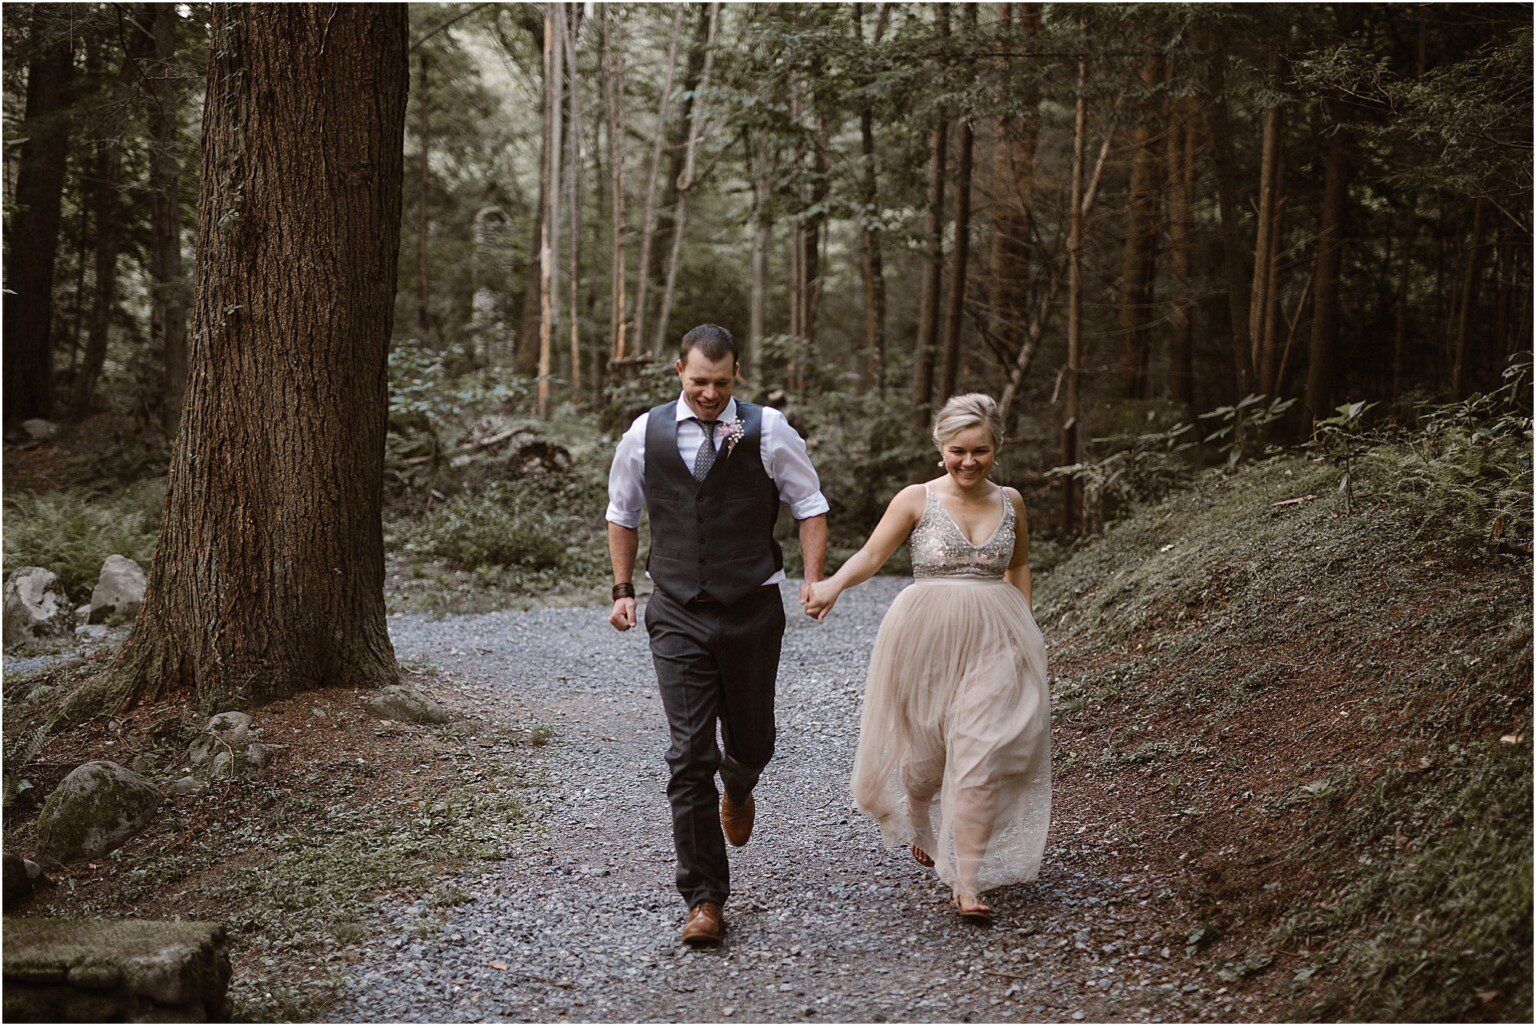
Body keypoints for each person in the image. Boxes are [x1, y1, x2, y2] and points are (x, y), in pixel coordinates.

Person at [606, 324, 829, 946]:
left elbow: (810, 505)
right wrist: (624, 590)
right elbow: (623, 513)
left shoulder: (769, 428)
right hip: (675, 609)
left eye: (722, 383)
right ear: (679, 371)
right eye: (699, 382)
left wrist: (813, 580)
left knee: (753, 740)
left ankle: (741, 779)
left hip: (752, 606)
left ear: (738, 376)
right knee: (687, 754)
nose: (709, 394)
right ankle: (704, 897)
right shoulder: (643, 433)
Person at [804, 393, 1049, 923]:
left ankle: (967, 880)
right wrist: (833, 585)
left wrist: (1024, 628)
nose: (968, 461)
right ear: (941, 448)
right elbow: (873, 555)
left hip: (997, 637)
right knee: (926, 762)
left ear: (996, 450)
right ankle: (918, 810)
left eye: (980, 451)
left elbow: (1021, 566)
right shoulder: (916, 499)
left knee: (981, 754)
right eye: (958, 450)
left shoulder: (1012, 501)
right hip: (924, 635)